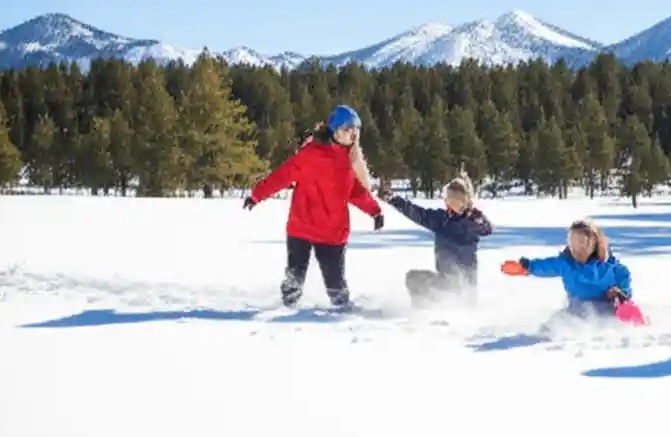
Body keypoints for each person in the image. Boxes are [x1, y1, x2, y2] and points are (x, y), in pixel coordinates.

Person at [244, 105, 383, 309]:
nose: (352, 135)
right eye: (347, 129)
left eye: (355, 130)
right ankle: (286, 310)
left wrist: (374, 210)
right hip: (302, 226)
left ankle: (343, 313)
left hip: (332, 232)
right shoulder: (310, 154)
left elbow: (355, 192)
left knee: (336, 284)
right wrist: (257, 195)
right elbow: (282, 176)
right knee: (294, 278)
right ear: (334, 130)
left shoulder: (350, 161)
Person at [379, 173, 493, 306]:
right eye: (448, 198)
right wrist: (393, 199)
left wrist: (475, 217)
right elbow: (417, 213)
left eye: (455, 199)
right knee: (413, 278)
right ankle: (422, 312)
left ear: (464, 201)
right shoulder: (441, 219)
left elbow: (487, 229)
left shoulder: (471, 220)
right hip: (444, 281)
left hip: (464, 287)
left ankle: (453, 310)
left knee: (452, 294)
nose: (450, 203)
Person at [500, 219, 638, 321]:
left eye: (582, 242)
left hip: (607, 307)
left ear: (596, 244)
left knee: (621, 312)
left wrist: (621, 293)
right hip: (578, 308)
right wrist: (527, 267)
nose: (578, 247)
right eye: (573, 241)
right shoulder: (566, 263)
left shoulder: (610, 266)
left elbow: (624, 279)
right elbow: (547, 266)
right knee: (558, 324)